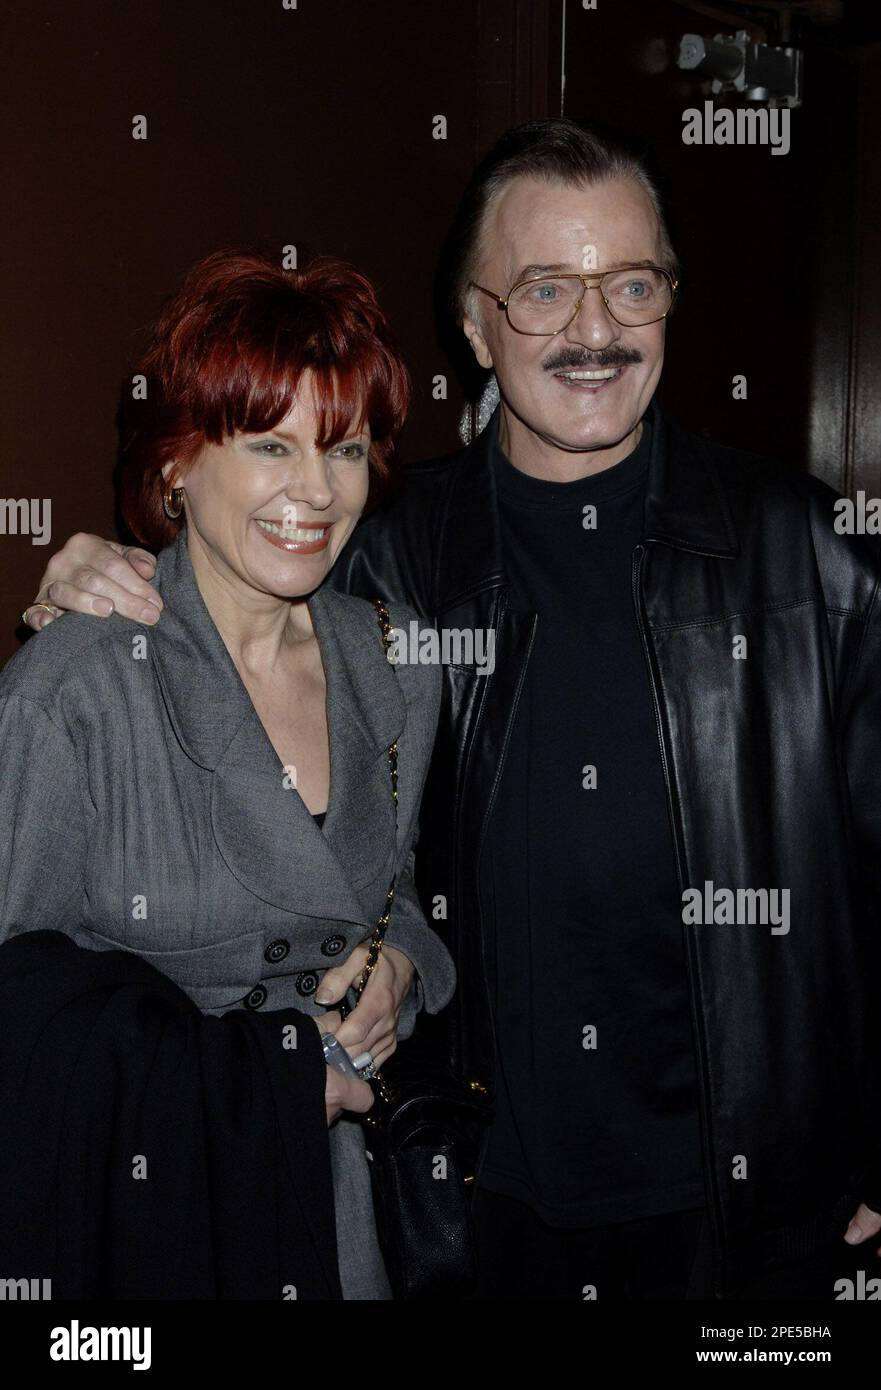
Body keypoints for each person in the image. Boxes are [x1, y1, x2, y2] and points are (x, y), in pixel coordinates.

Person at [22, 119, 881, 1301]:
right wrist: (95, 576)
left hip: (754, 1215)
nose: (593, 328)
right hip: (472, 1215)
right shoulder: (390, 563)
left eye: (630, 283)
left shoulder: (809, 554)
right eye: (543, 290)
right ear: (475, 326)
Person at [3, 247, 455, 1300]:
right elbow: (14, 1026)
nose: (315, 490)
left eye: (342, 448)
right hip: (150, 1226)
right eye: (268, 443)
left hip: (343, 1220)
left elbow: (393, 898)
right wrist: (272, 1079)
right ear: (176, 462)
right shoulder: (74, 689)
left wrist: (402, 972)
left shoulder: (398, 661)